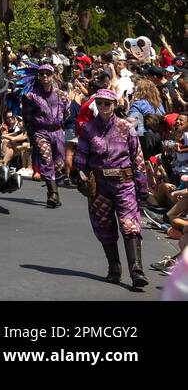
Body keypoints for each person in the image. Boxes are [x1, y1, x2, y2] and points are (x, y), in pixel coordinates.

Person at [74, 88, 149, 288]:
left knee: (130, 225)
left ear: (115, 105)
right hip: (99, 186)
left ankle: (137, 271)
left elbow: (138, 158)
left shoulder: (126, 128)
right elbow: (80, 159)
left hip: (125, 184)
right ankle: (114, 268)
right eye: (99, 103)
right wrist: (80, 176)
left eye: (107, 103)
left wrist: (142, 186)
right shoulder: (88, 130)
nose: (103, 107)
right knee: (104, 226)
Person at [22, 64, 66, 208]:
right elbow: (27, 117)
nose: (45, 77)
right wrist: (30, 135)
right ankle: (53, 193)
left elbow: (67, 114)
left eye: (48, 74)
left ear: (53, 75)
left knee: (59, 164)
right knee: (46, 160)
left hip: (58, 131)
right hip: (41, 132)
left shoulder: (62, 95)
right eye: (42, 74)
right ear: (39, 77)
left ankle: (54, 191)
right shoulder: (31, 96)